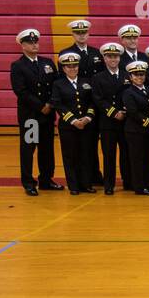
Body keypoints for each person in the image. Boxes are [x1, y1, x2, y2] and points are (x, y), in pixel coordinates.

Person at [9, 29, 61, 196]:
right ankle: (28, 182)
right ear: (22, 45)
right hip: (31, 117)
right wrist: (40, 106)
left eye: (36, 42)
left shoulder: (47, 63)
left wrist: (50, 104)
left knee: (47, 149)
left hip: (47, 115)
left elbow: (56, 85)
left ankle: (46, 180)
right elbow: (21, 91)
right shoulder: (18, 66)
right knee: (28, 149)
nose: (34, 45)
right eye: (30, 42)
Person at [51, 52, 98, 194]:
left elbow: (92, 101)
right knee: (70, 156)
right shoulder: (58, 84)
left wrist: (87, 118)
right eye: (68, 66)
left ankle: (86, 184)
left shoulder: (87, 82)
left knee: (86, 154)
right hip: (68, 126)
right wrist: (73, 120)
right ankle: (74, 186)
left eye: (75, 66)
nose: (72, 68)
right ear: (63, 68)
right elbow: (58, 104)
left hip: (86, 125)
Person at [91, 43, 128, 194]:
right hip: (108, 122)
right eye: (110, 56)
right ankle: (109, 185)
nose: (113, 59)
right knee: (109, 155)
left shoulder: (127, 75)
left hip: (125, 121)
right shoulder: (98, 77)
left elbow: (130, 96)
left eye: (116, 56)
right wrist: (114, 112)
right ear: (104, 58)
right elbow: (98, 99)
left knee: (126, 153)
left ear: (120, 58)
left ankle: (128, 181)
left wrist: (125, 112)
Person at [122, 60, 149, 195]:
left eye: (142, 75)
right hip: (135, 131)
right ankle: (139, 187)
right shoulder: (128, 92)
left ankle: (148, 184)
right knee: (137, 160)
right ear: (131, 77)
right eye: (136, 75)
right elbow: (133, 112)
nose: (139, 77)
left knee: (147, 159)